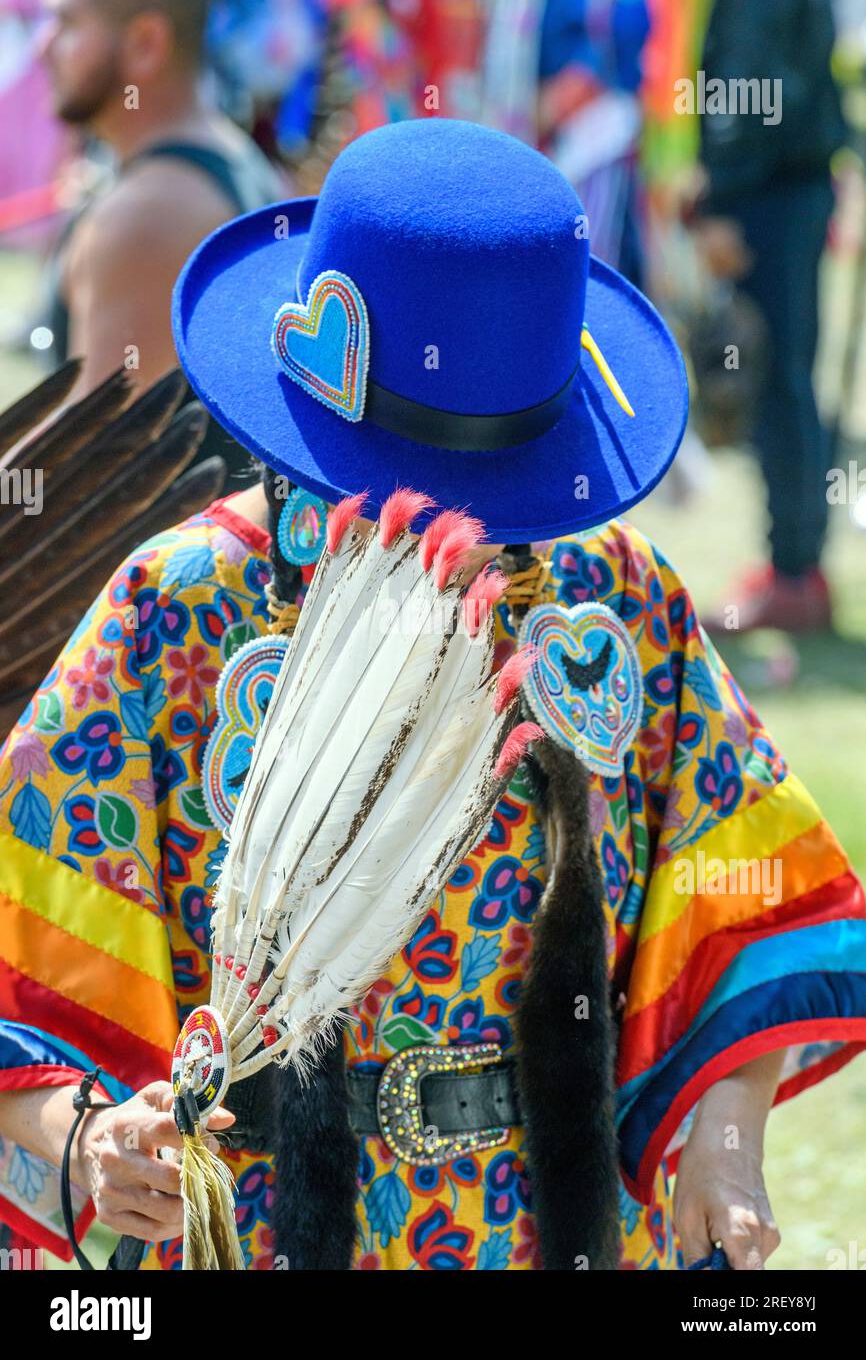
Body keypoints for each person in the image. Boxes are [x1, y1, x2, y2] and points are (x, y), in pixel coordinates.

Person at [0, 120, 864, 1271]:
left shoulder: (614, 603)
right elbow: (25, 981)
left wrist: (720, 1139)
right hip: (253, 1231)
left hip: (553, 1226)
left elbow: (735, 906)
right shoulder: (180, 611)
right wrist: (88, 1140)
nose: (465, 539)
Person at [37, 0, 283, 478]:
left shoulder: (148, 214)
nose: (43, 47)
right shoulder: (230, 155)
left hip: (146, 558)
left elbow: (87, 479)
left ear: (145, 43)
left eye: (66, 22)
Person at [692, 0, 846, 633]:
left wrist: (719, 192)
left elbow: (749, 73)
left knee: (778, 381)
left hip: (768, 187)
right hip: (794, 177)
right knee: (789, 377)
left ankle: (792, 574)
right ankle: (797, 565)